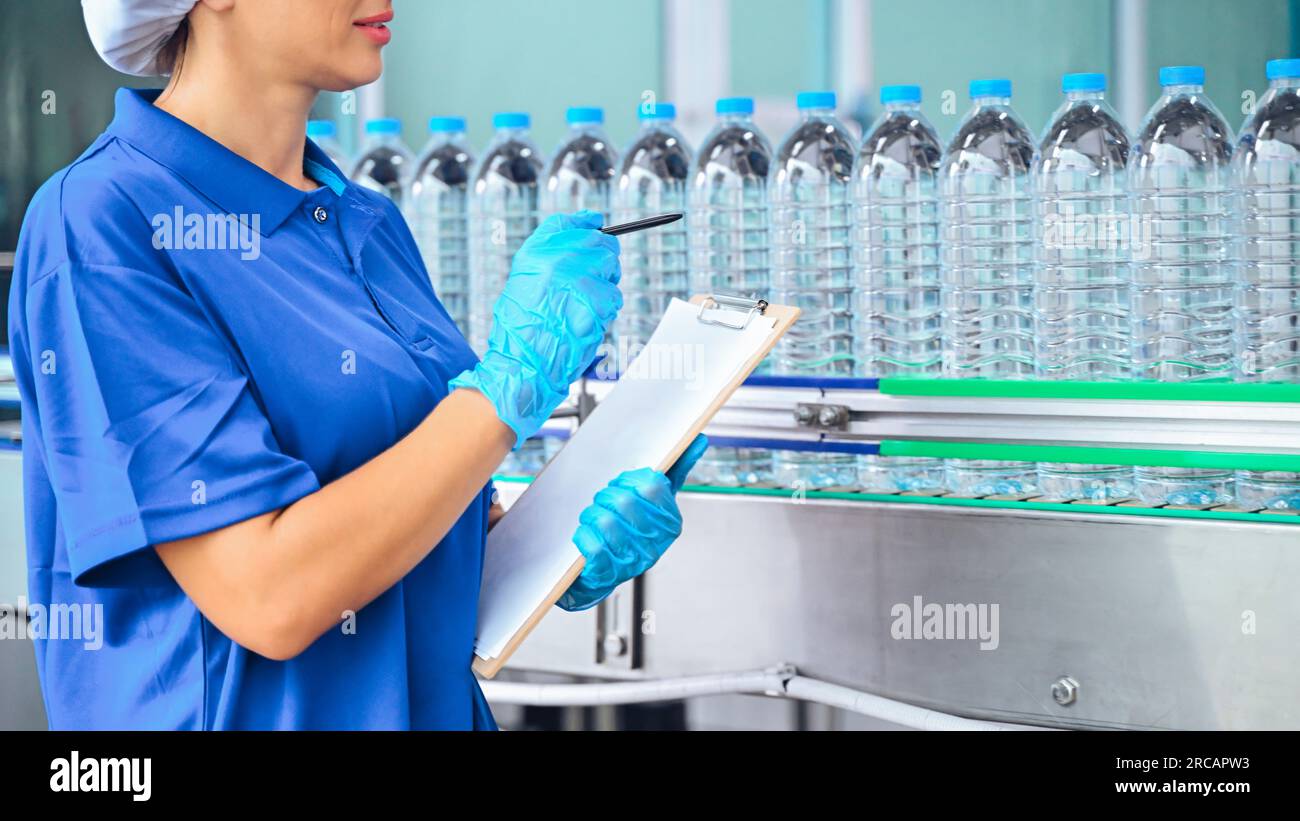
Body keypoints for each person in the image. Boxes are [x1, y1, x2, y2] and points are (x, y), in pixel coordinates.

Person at [6, 0, 705, 729]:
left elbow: (407, 537)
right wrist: (505, 389)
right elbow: (268, 595)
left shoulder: (363, 219)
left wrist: (551, 546)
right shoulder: (102, 223)